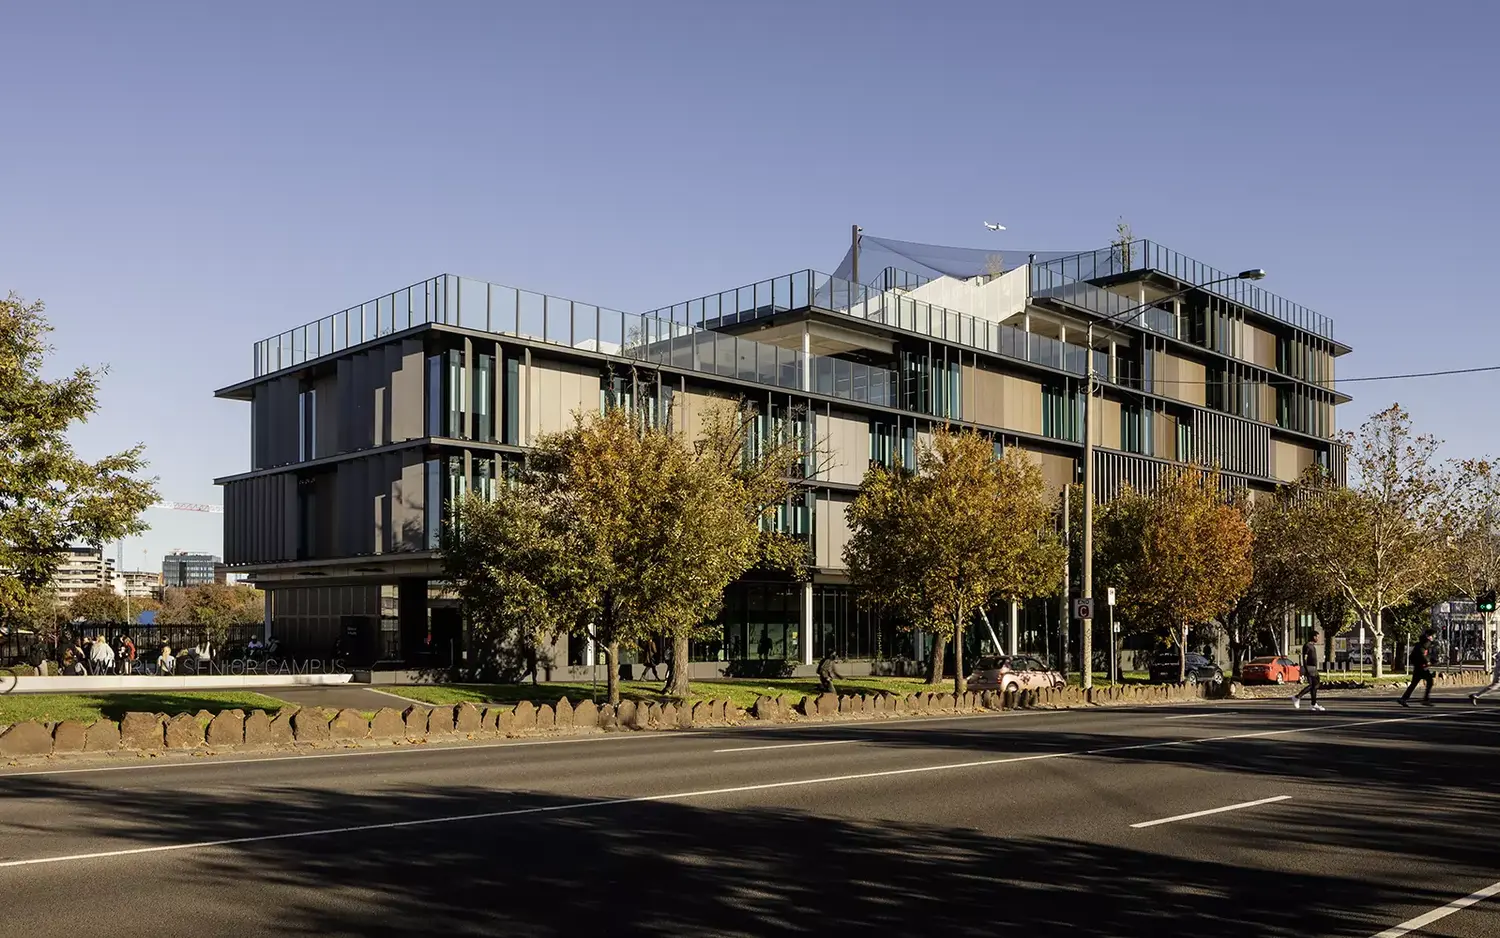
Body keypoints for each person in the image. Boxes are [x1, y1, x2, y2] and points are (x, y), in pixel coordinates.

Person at [1399, 628, 1437, 707]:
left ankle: (1403, 698)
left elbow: (1424, 653)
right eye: (1431, 636)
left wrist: (1431, 660)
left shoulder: (1422, 642)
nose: (1432, 637)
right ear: (1427, 635)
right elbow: (1422, 653)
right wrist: (1427, 661)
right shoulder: (1426, 642)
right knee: (1429, 681)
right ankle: (1425, 700)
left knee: (1414, 684)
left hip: (1418, 666)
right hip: (1422, 667)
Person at [1292, 629, 1325, 711]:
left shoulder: (1312, 645)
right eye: (1317, 637)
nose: (1318, 638)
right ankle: (1297, 697)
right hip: (1309, 668)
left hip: (1314, 669)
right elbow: (1305, 658)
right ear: (1313, 637)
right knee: (1311, 685)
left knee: (1316, 685)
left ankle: (1313, 704)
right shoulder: (1307, 646)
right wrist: (1306, 670)